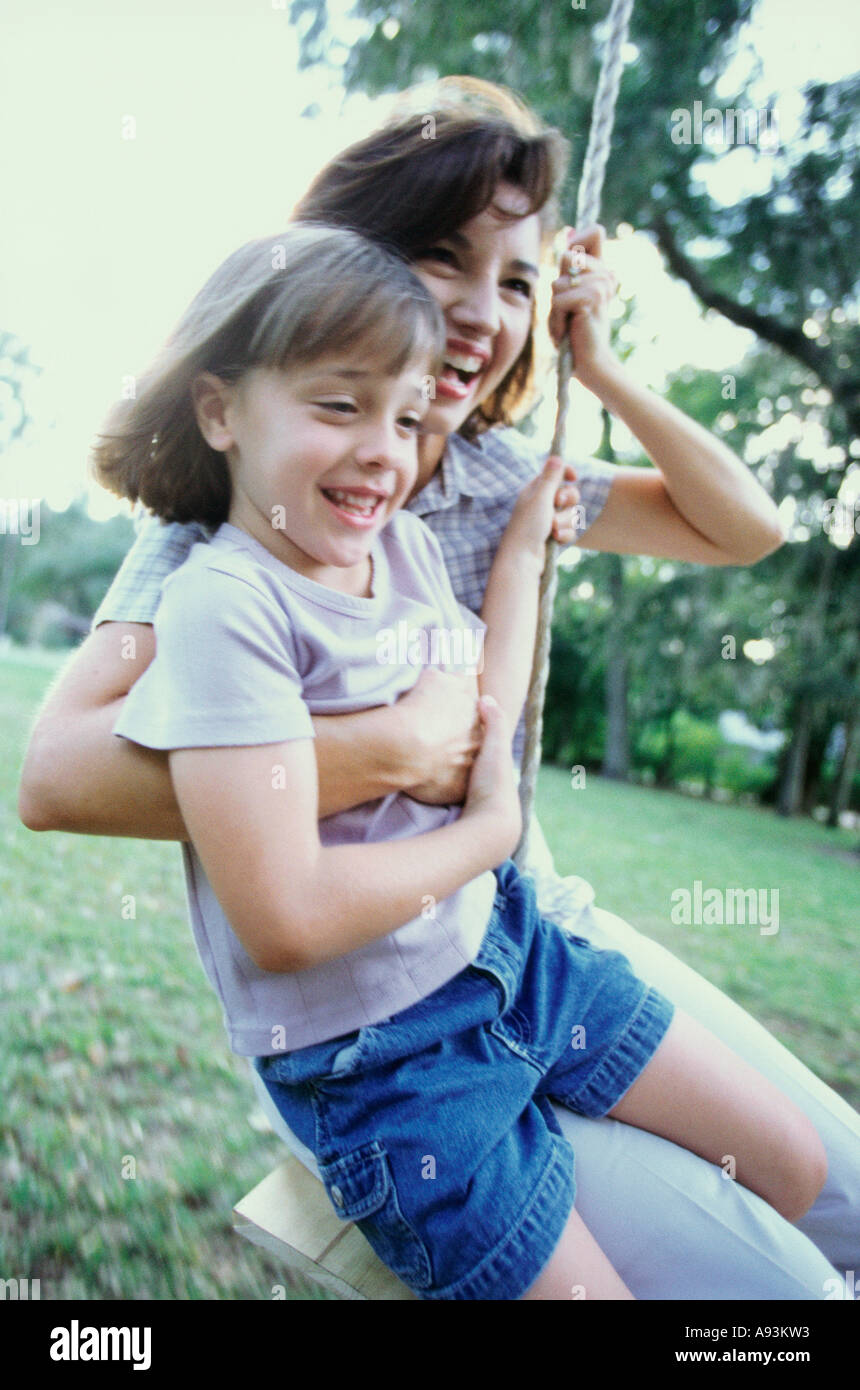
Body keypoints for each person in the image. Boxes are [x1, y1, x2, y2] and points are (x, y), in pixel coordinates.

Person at [18, 78, 857, 1297]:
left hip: (530, 932)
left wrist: (601, 366)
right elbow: (57, 776)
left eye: (514, 281)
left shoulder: (479, 473)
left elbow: (744, 527)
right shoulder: (238, 515)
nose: (477, 314)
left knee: (831, 1193)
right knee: (781, 1292)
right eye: (437, 257)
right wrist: (404, 747)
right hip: (386, 1022)